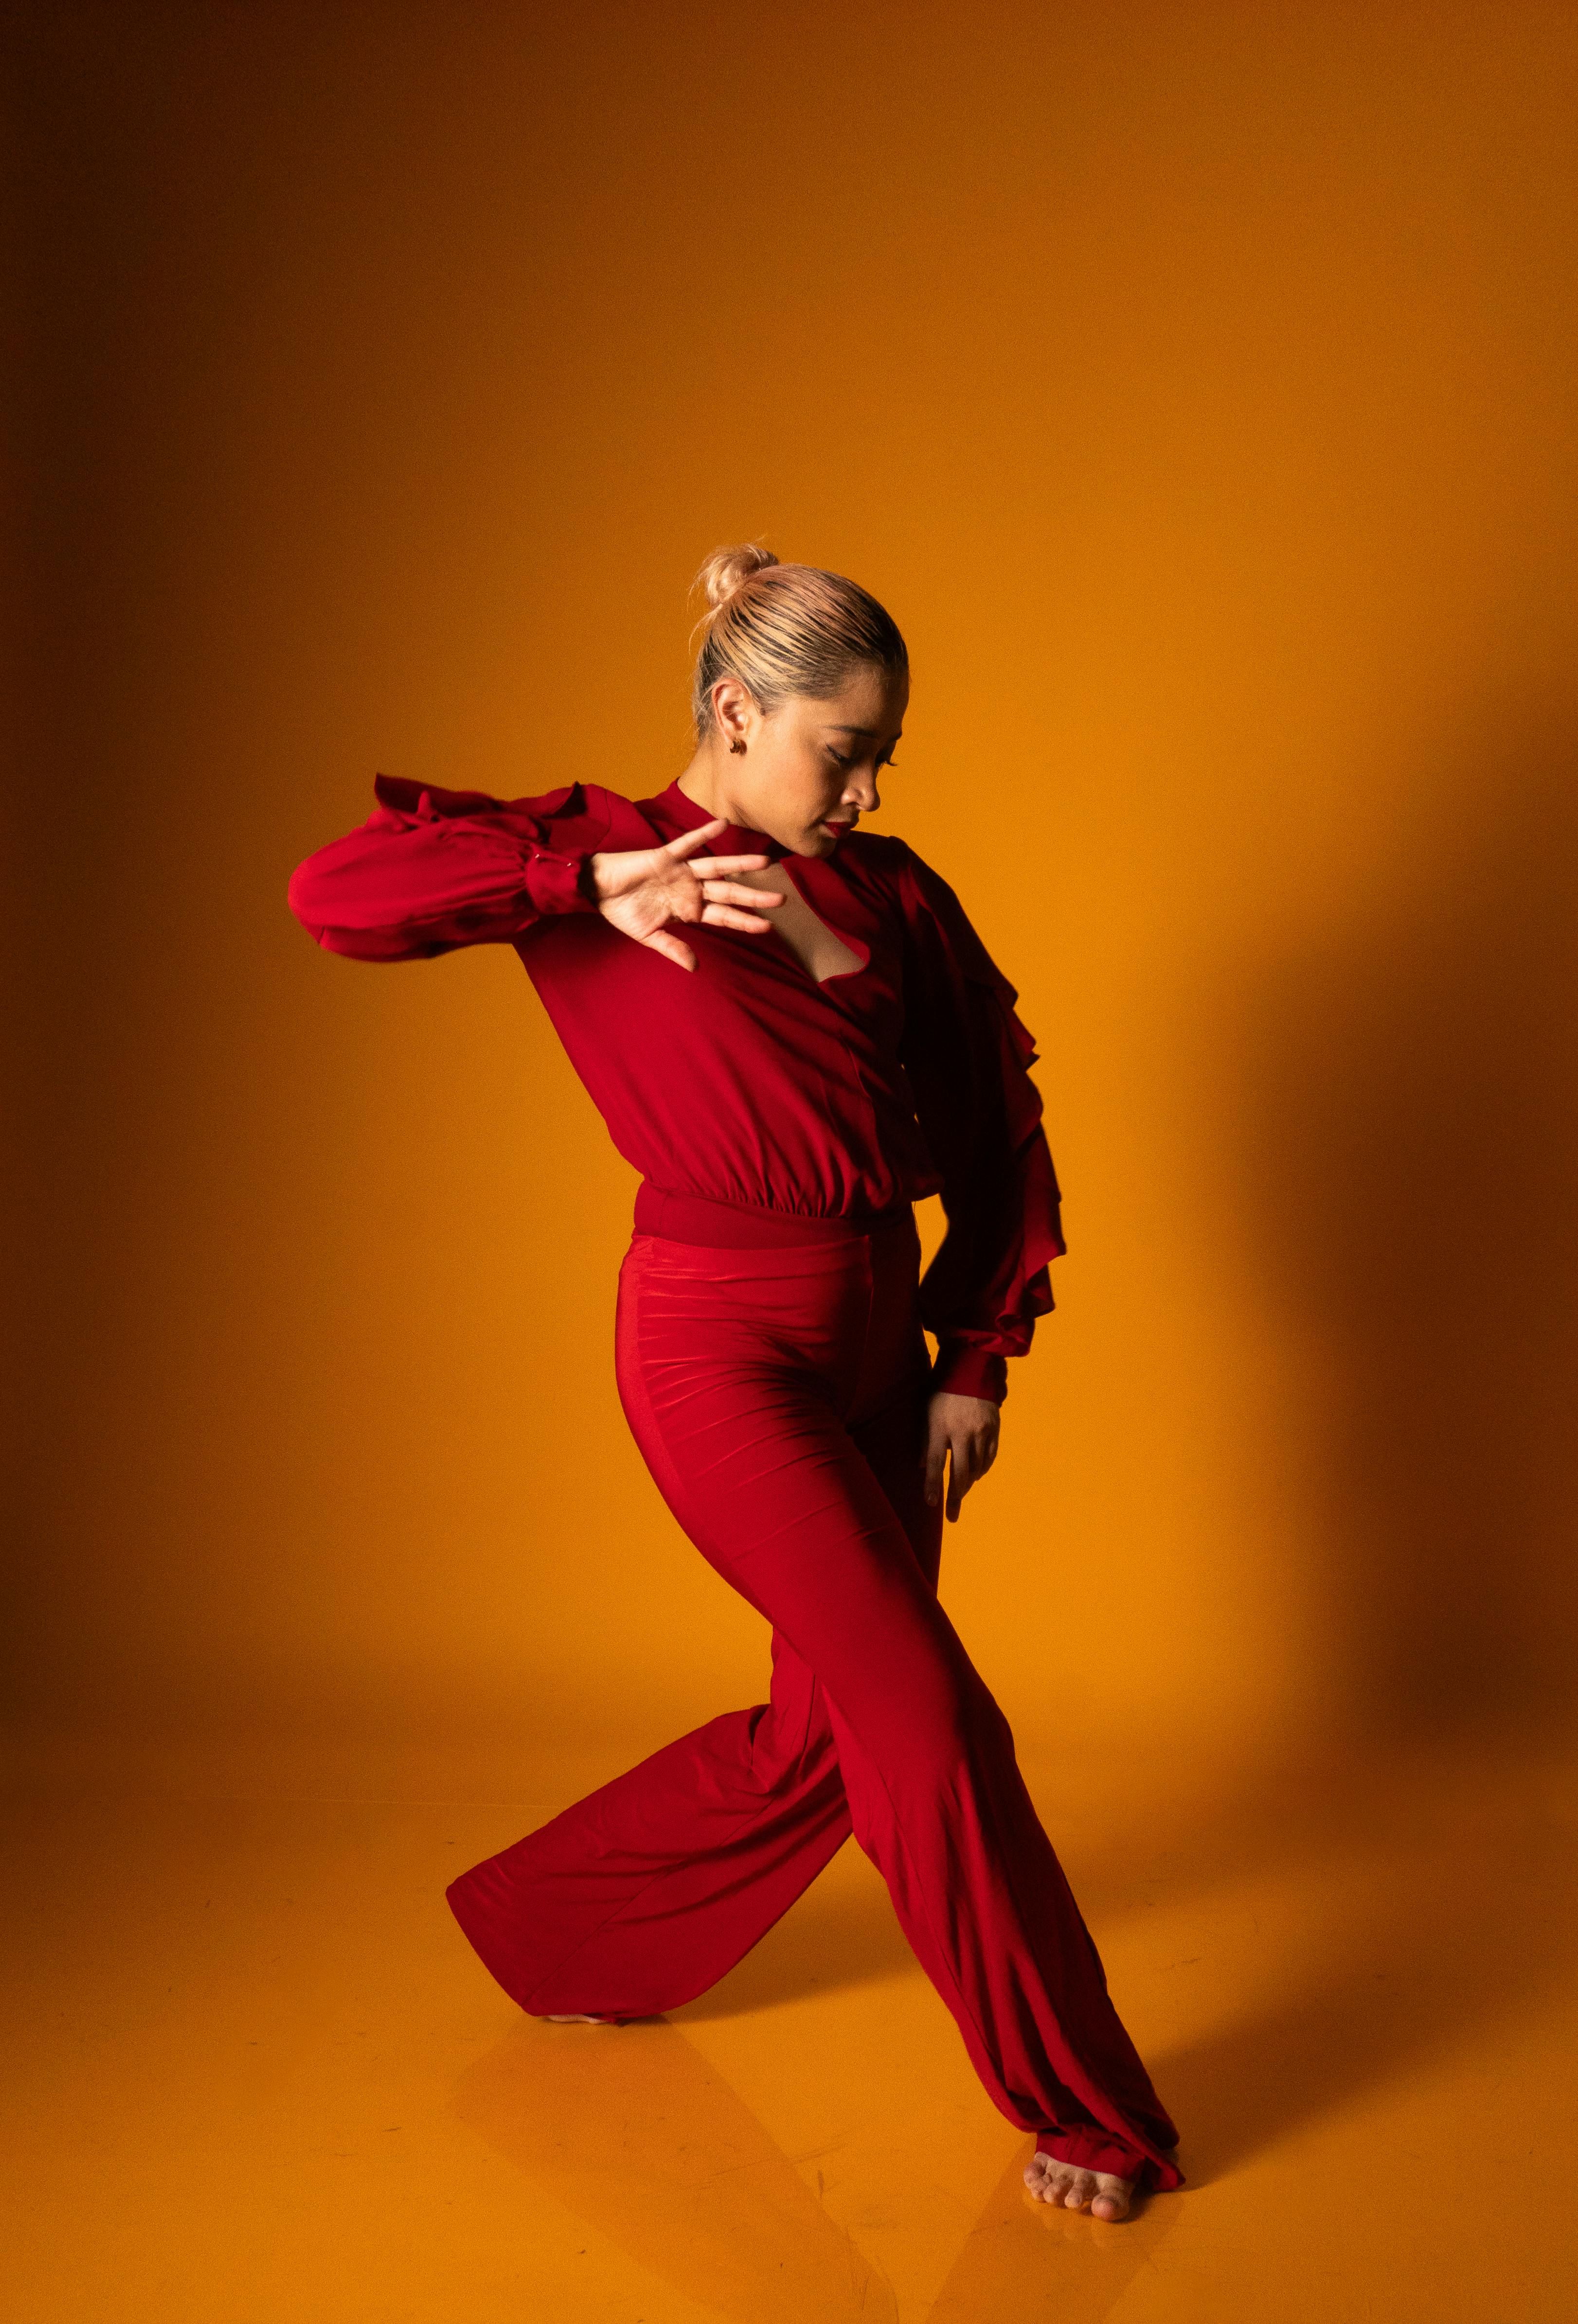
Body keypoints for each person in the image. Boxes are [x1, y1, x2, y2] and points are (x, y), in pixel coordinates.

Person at [286, 544, 1183, 2222]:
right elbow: (331, 897)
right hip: (716, 1348)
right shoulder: (603, 862)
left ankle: (552, 1926)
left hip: (876, 1346)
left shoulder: (895, 894)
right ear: (733, 711)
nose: (863, 784)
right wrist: (576, 886)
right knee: (924, 1715)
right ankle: (1088, 2108)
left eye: (881, 753)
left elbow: (982, 1138)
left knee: (820, 1734)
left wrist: (971, 1361)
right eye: (838, 747)